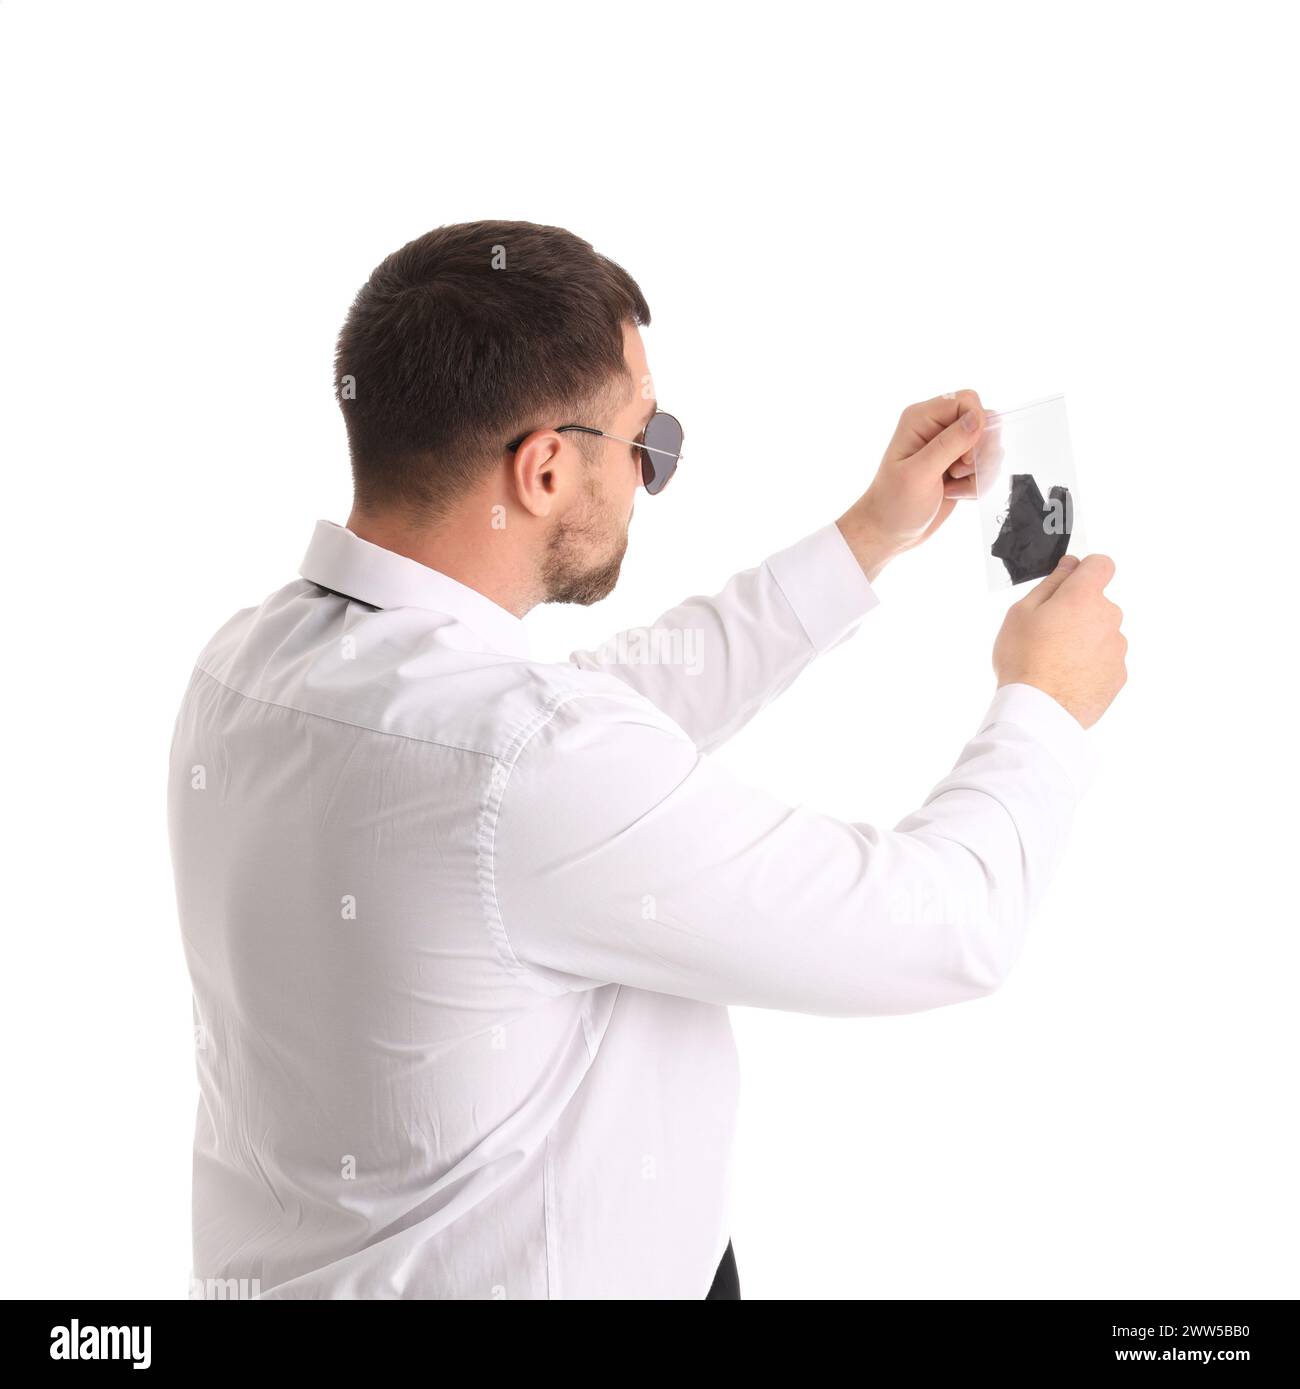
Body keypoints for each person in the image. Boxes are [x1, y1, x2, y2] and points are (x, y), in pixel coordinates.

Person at [168, 220, 1127, 1300]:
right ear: (540, 470)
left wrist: (868, 537)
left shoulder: (248, 667)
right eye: (645, 441)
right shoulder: (521, 764)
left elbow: (582, 716)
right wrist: (1045, 702)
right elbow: (947, 927)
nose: (647, 474)